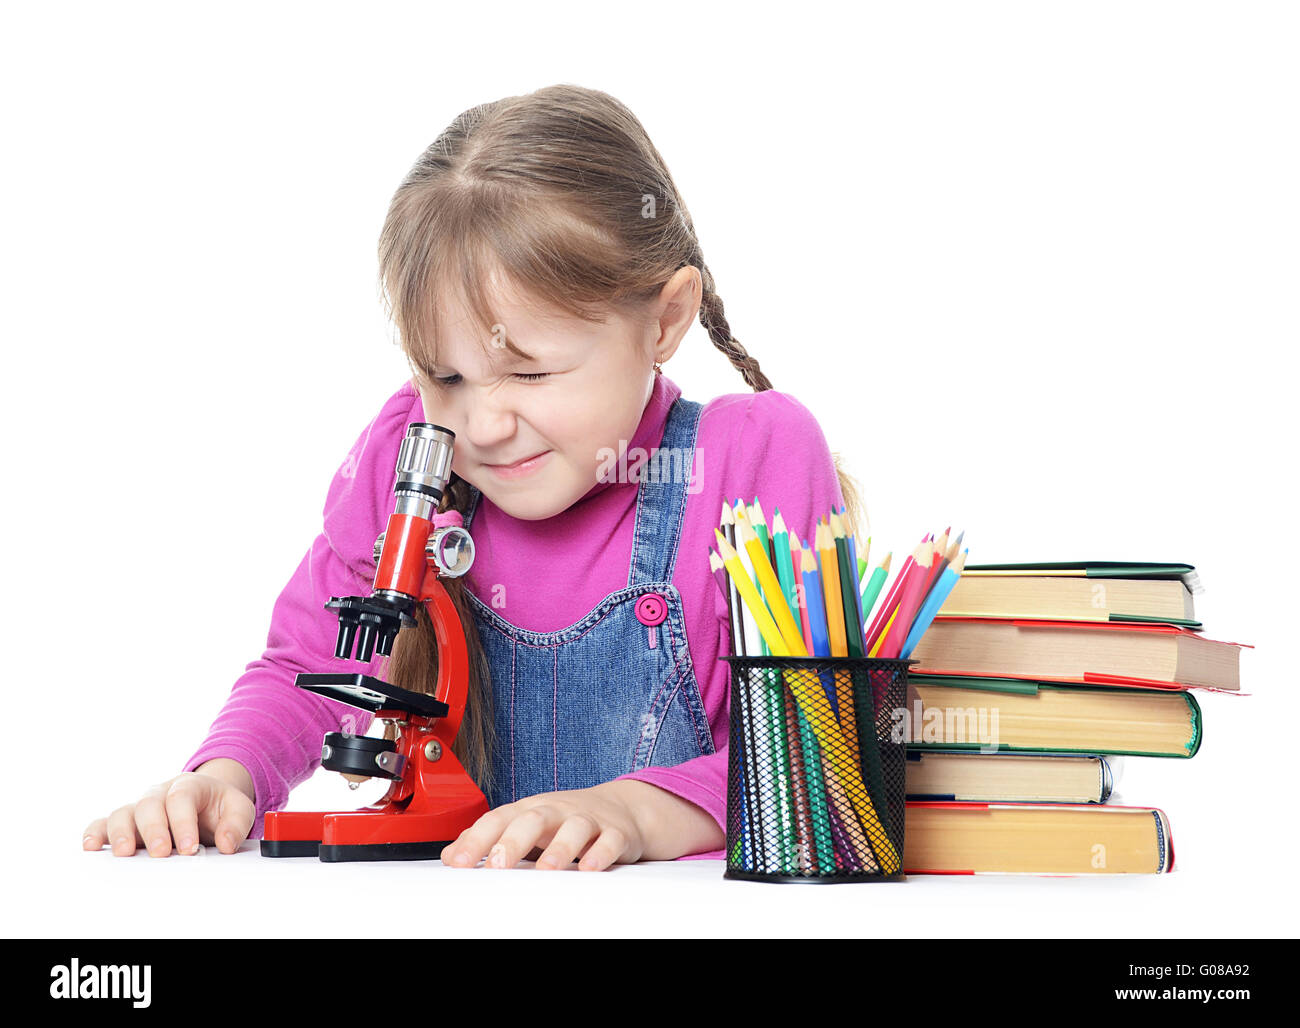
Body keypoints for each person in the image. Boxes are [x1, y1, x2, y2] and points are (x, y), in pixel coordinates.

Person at [81, 83, 862, 871]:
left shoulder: (748, 458)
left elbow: (822, 756)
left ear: (663, 321)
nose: (482, 426)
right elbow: (310, 664)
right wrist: (227, 772)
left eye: (529, 374)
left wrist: (635, 812)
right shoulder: (409, 452)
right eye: (445, 376)